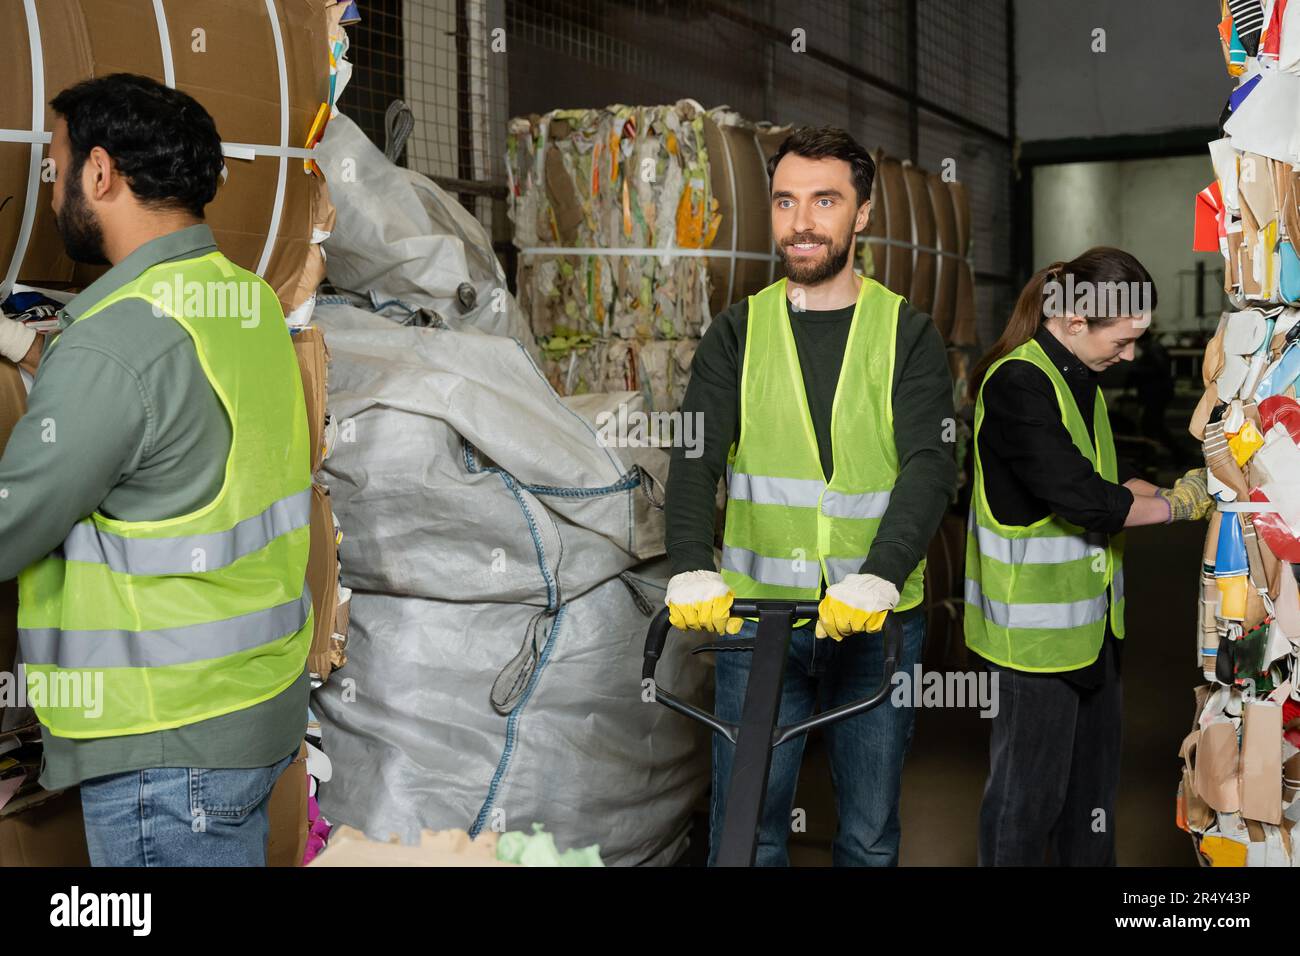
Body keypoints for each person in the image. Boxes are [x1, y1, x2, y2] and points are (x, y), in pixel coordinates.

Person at [0, 74, 313, 866]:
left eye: (56, 161)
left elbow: (11, 523)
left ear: (99, 174)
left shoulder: (114, 341)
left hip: (165, 749)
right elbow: (174, 444)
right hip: (255, 707)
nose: (53, 180)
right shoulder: (245, 304)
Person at [664, 126, 956, 866]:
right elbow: (696, 456)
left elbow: (931, 463)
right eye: (786, 201)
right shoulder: (738, 332)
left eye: (826, 201)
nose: (803, 221)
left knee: (865, 831)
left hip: (876, 616)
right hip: (758, 618)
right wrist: (692, 562)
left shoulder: (907, 334)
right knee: (747, 825)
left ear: (861, 215)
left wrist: (881, 574)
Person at [964, 247, 1212, 866]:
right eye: (1124, 340)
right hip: (1034, 644)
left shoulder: (1080, 380)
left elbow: (1109, 475)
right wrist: (1178, 507)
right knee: (1026, 804)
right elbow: (1084, 497)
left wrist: (1200, 487)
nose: (1130, 355)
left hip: (1094, 635)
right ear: (1076, 319)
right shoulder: (1018, 382)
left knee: (1090, 802)